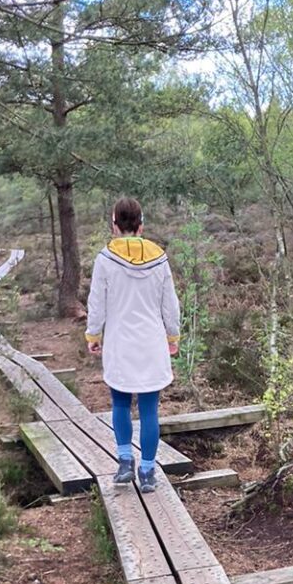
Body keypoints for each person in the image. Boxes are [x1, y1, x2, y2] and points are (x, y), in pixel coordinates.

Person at [85, 197, 180, 492]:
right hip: (151, 343)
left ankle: (125, 460)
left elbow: (96, 302)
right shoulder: (159, 258)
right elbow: (170, 304)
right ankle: (149, 471)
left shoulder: (105, 259)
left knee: (121, 403)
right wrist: (172, 336)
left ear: (115, 225)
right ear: (141, 224)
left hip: (119, 342)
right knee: (150, 409)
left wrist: (93, 334)